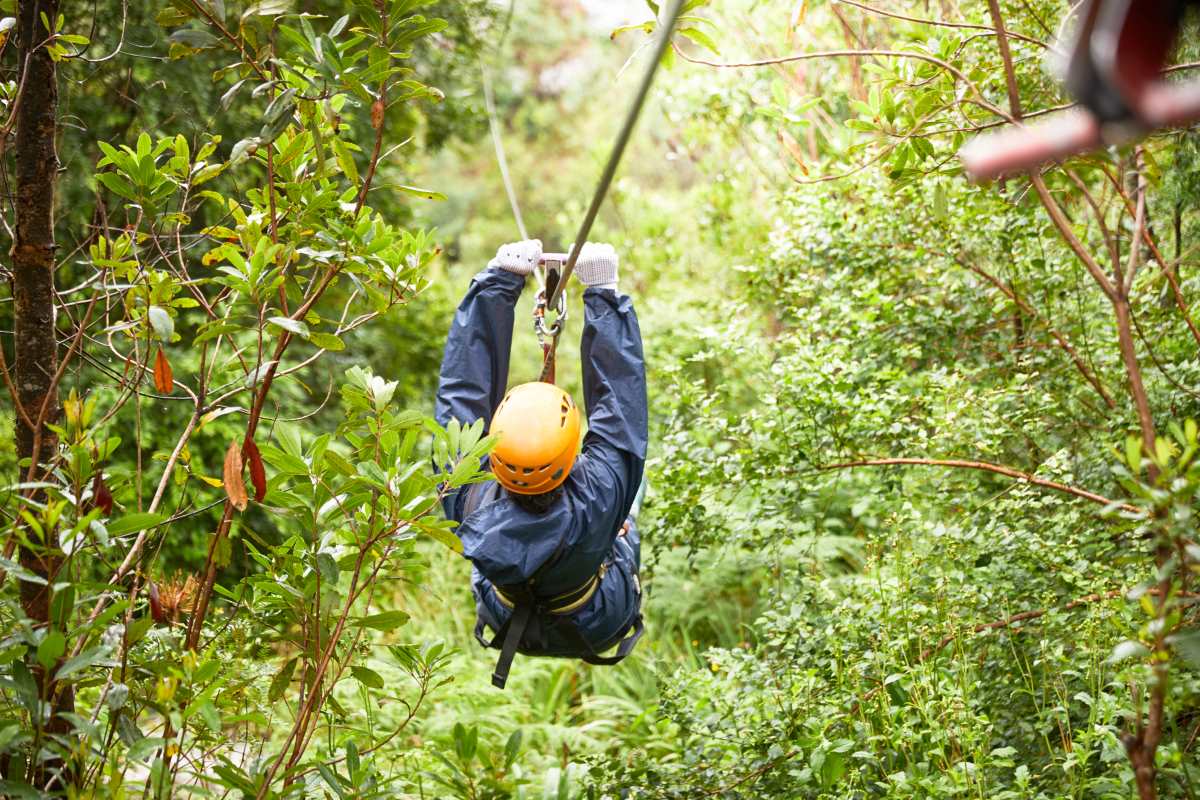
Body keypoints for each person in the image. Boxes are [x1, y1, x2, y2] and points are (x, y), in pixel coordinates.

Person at [435, 239, 648, 689]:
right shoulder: (597, 497)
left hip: (504, 612)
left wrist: (497, 284)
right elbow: (621, 414)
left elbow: (462, 398)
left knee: (621, 475)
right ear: (571, 457)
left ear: (494, 452)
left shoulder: (466, 492)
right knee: (632, 480)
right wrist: (603, 294)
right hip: (598, 617)